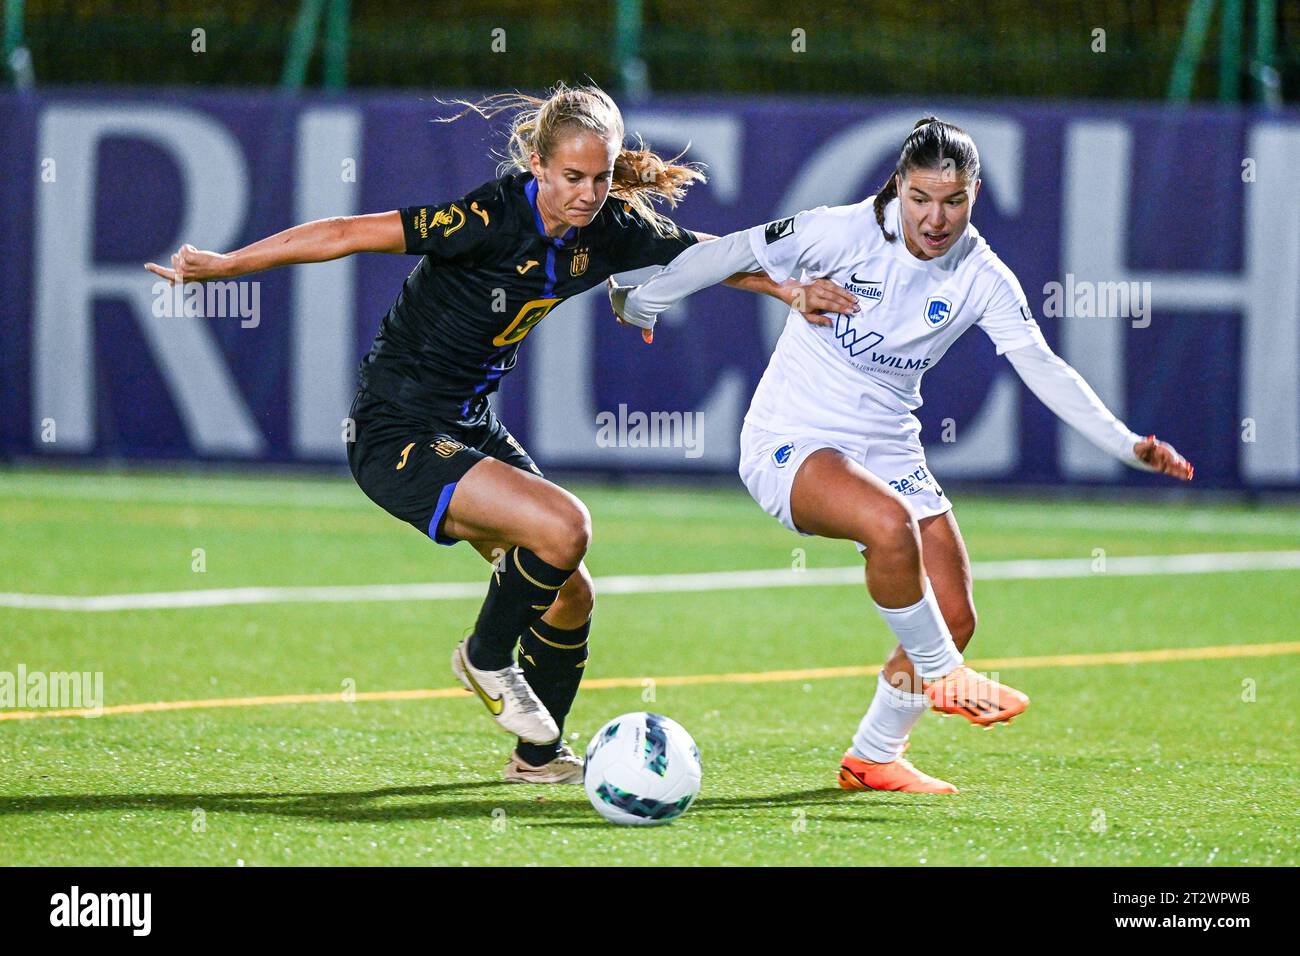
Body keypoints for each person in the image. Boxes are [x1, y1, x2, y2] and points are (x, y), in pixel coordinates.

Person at [144, 83, 856, 784]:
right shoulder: (486, 217)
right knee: (565, 525)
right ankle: (485, 657)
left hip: (469, 426)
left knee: (572, 594)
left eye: (601, 177)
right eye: (571, 176)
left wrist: (789, 290)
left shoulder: (605, 226)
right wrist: (230, 265)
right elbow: (347, 232)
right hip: (397, 429)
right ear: (539, 165)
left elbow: (700, 253)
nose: (586, 193)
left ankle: (537, 759)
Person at [609, 116, 1193, 793]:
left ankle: (874, 758)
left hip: (887, 443)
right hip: (790, 437)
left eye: (954, 200)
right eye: (921, 198)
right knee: (890, 527)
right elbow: (727, 251)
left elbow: (1043, 367)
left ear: (974, 193)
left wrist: (1127, 444)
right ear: (897, 187)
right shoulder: (841, 230)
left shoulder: (982, 274)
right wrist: (641, 297)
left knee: (955, 609)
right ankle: (943, 674)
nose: (936, 217)